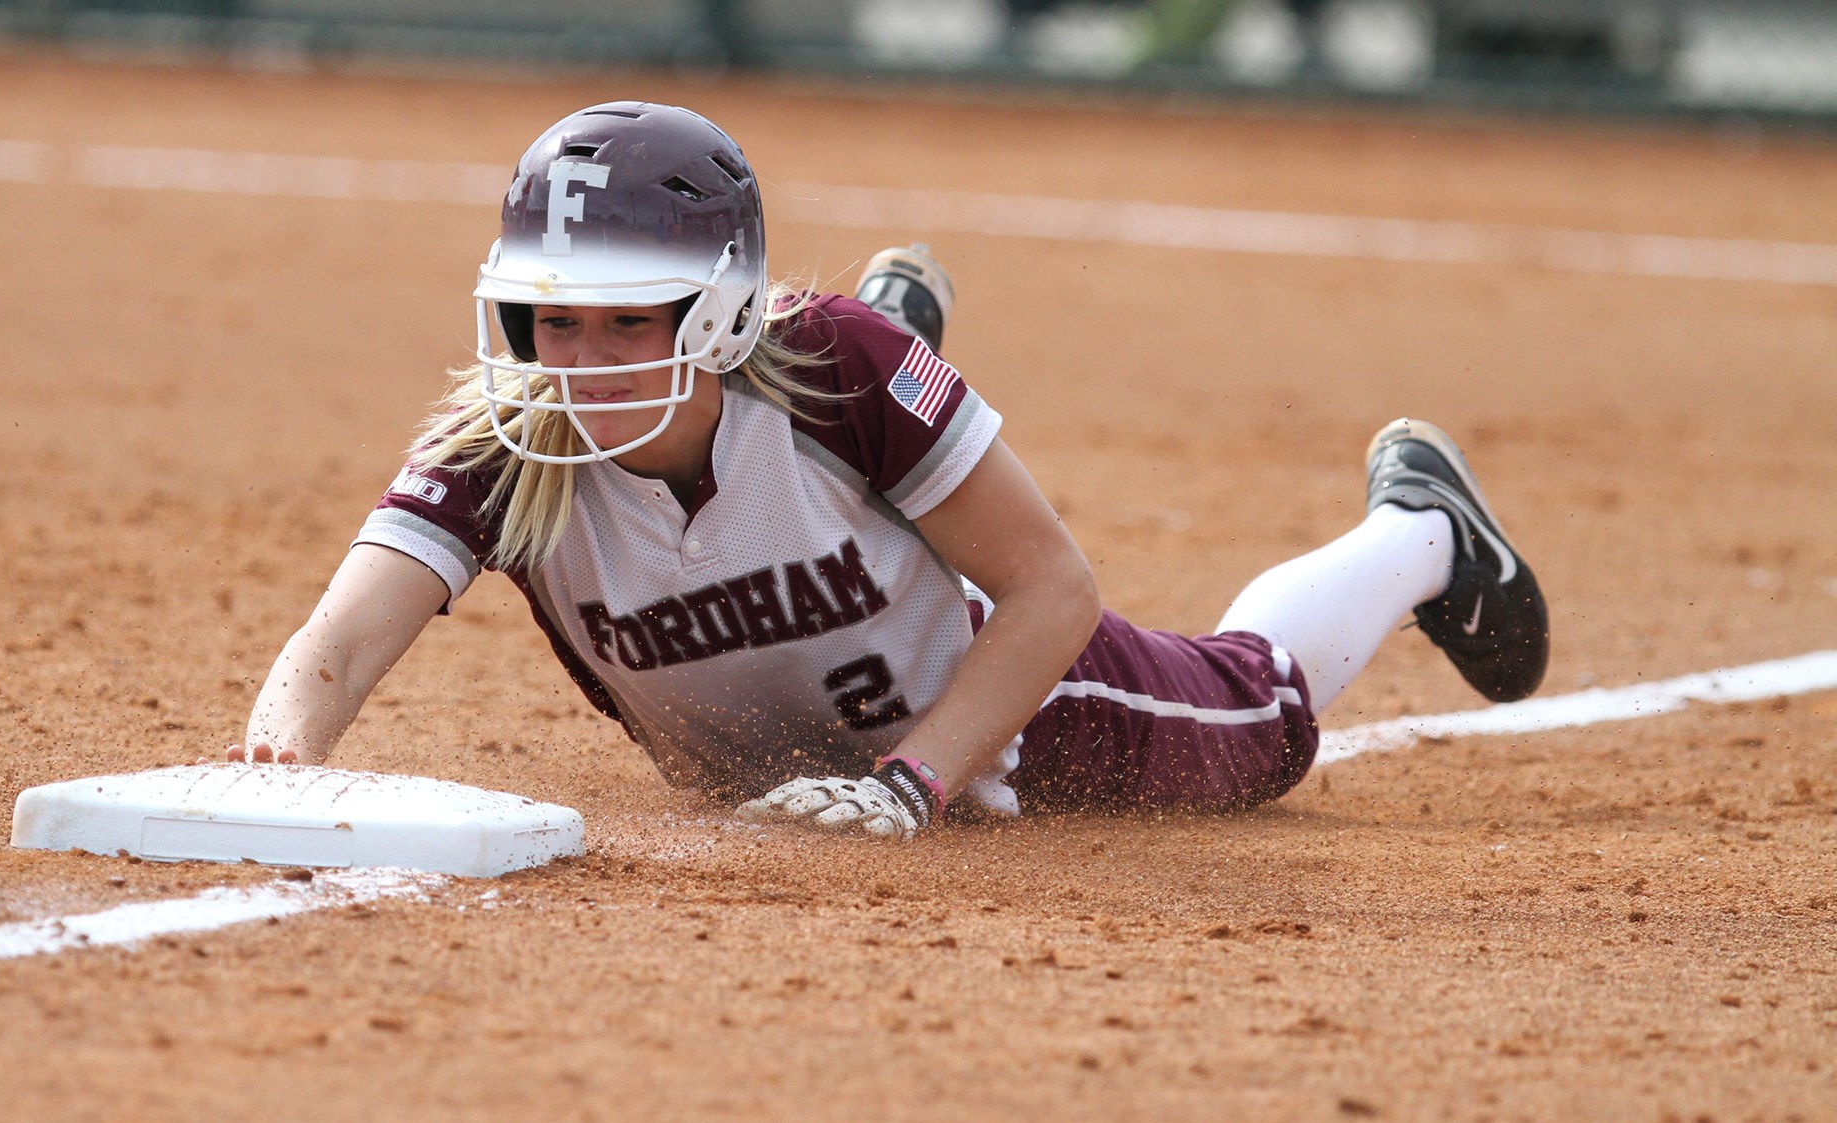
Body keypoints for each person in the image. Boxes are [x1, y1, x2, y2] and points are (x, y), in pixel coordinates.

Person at [226, 100, 1549, 840]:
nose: (584, 360)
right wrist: (280, 763)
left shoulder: (826, 365)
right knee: (839, 410)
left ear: (719, 313)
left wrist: (911, 785)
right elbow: (336, 645)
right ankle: (902, 411)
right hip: (791, 726)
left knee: (1260, 719)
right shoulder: (505, 439)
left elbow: (1054, 589)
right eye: (551, 319)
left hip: (999, 709)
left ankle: (1422, 528)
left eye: (631, 319)